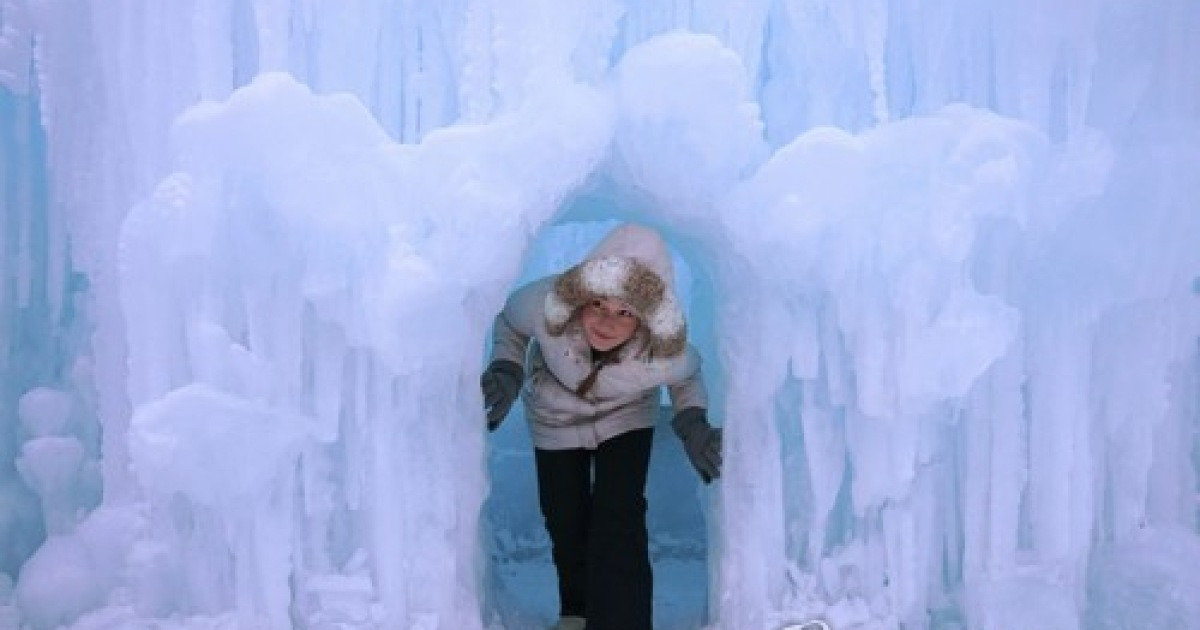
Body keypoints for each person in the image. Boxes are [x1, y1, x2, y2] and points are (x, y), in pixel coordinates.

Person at [480, 223, 723, 630]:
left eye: (625, 312)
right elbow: (509, 322)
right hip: (554, 414)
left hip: (626, 415)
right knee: (565, 516)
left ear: (645, 321)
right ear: (580, 298)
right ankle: (576, 614)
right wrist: (507, 368)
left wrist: (693, 422)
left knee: (619, 517)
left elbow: (687, 377)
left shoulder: (661, 353)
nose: (607, 322)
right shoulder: (545, 304)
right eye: (598, 305)